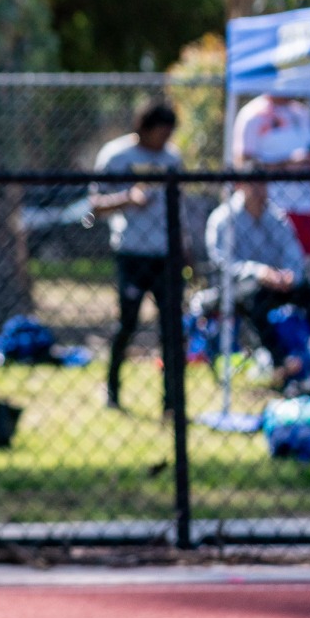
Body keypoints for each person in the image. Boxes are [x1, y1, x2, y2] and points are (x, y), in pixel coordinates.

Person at [87, 101, 182, 413]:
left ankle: (172, 403)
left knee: (171, 329)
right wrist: (128, 198)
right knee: (127, 324)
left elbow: (180, 209)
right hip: (131, 252)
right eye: (160, 133)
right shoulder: (116, 156)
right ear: (144, 128)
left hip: (166, 254)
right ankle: (112, 391)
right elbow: (95, 207)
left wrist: (187, 247)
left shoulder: (172, 158)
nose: (164, 141)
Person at [206, 179, 310, 394]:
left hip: (277, 283)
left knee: (309, 293)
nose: (259, 191)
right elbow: (222, 261)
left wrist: (289, 275)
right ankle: (281, 364)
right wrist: (259, 272)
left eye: (262, 185)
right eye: (253, 185)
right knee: (255, 300)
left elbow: (293, 253)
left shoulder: (276, 216)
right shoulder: (224, 218)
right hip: (237, 286)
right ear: (240, 186)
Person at [232, 92, 310, 257]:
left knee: (305, 266)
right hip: (270, 206)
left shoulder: (302, 113)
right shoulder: (252, 114)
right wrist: (287, 163)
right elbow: (244, 165)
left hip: (303, 205)